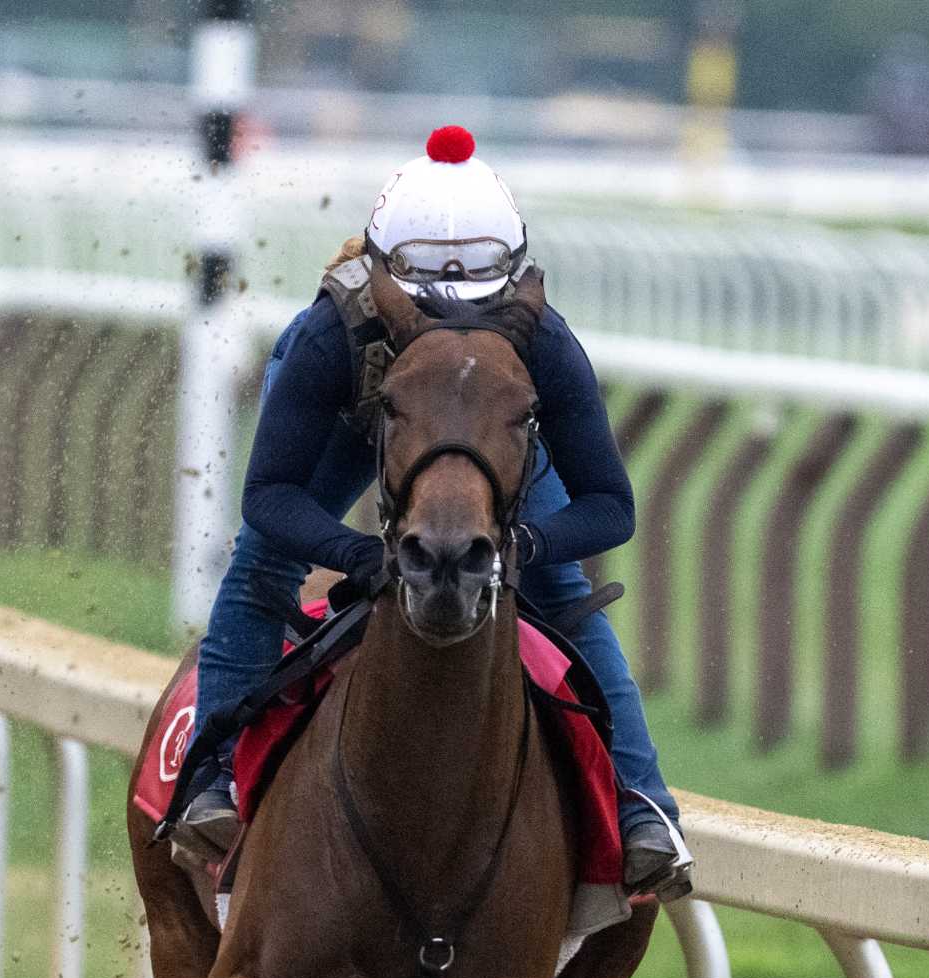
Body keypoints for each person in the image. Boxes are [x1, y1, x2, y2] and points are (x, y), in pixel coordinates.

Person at [175, 125, 691, 900]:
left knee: (562, 594)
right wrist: (355, 557)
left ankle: (643, 805)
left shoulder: (543, 340)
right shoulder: (328, 338)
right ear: (380, 282)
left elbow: (611, 506)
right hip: (359, 409)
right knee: (260, 570)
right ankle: (208, 784)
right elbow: (268, 497)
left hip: (480, 432)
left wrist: (526, 541)